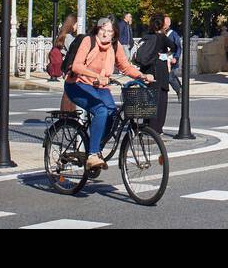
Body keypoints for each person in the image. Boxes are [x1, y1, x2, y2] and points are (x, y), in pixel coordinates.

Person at [63, 17, 153, 170]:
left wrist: (141, 75)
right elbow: (77, 66)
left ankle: (95, 147)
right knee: (101, 110)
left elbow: (125, 66)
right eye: (102, 30)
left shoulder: (115, 46)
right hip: (77, 84)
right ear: (97, 29)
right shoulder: (88, 41)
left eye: (109, 31)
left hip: (101, 87)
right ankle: (92, 154)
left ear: (114, 33)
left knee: (113, 113)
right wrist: (95, 75)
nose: (105, 34)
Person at [134, 14, 176, 132]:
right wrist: (164, 55)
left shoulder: (146, 36)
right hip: (158, 72)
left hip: (146, 71)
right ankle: (155, 129)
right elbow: (174, 46)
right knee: (160, 100)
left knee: (148, 99)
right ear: (162, 24)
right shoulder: (161, 37)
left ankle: (146, 125)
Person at [167, 19, 183, 98]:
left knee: (170, 77)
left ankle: (179, 90)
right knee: (172, 76)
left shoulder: (173, 34)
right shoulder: (161, 33)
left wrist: (176, 57)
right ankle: (180, 89)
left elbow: (179, 47)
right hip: (164, 59)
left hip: (172, 59)